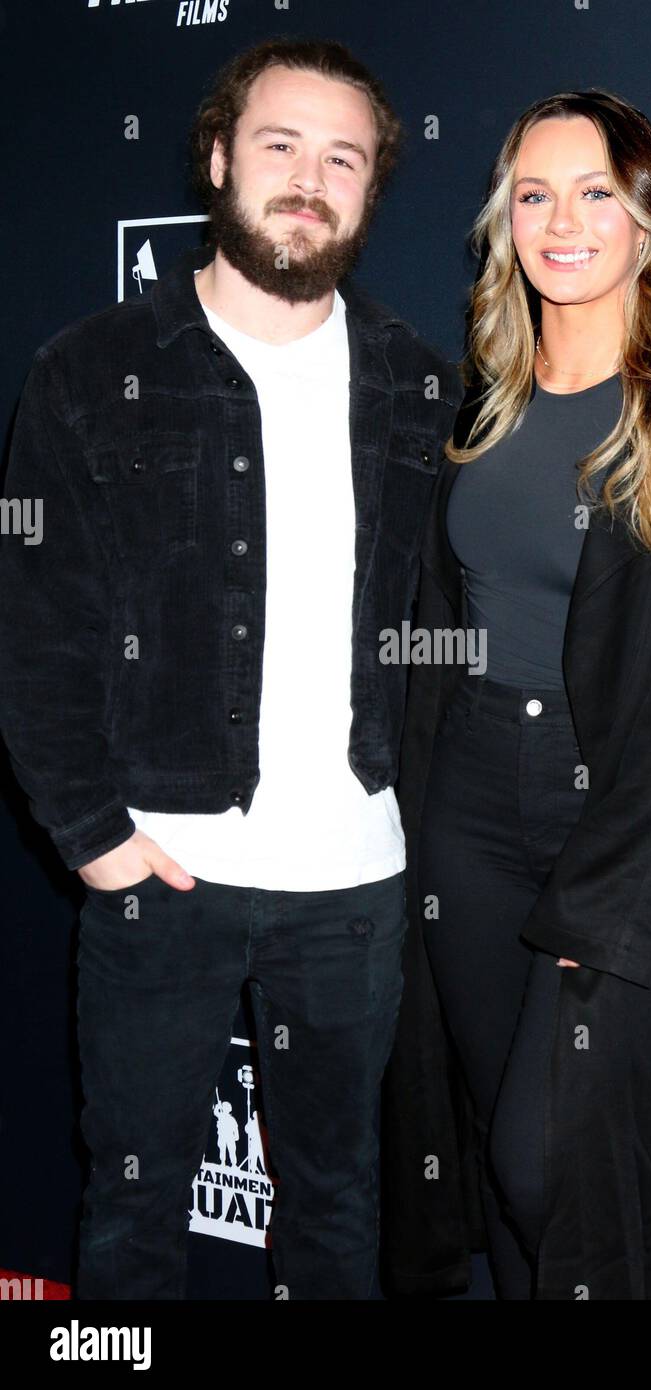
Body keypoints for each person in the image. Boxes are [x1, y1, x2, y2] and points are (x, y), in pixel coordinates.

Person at [0, 38, 461, 1299]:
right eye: (280, 146)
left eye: (342, 158)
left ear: (368, 190)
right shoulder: (92, 370)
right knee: (132, 1214)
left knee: (332, 1210)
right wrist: (98, 839)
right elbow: (36, 630)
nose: (309, 179)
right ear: (217, 158)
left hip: (355, 886)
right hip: (162, 877)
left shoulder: (419, 389)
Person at [381, 89, 651, 1300]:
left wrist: (596, 916)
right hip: (463, 815)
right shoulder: (475, 402)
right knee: (484, 1164)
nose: (560, 221)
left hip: (612, 828)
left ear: (648, 217)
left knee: (545, 1159)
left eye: (593, 192)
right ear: (503, 218)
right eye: (532, 193)